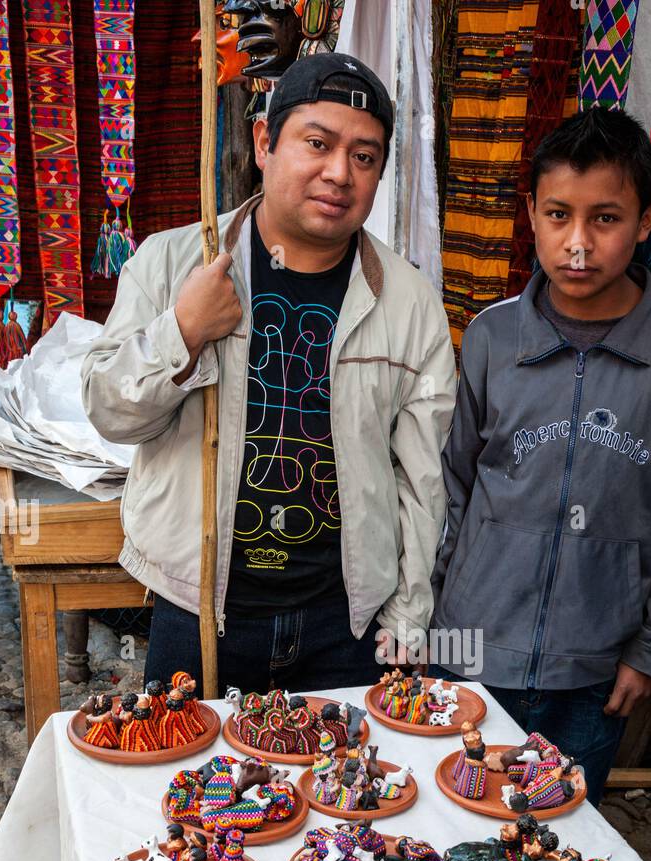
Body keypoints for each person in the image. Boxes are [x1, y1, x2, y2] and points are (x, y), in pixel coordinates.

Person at [81, 53, 455, 696]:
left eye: (364, 157)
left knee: (342, 792)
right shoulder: (174, 263)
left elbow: (420, 481)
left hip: (347, 624)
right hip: (201, 612)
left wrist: (407, 625)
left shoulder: (409, 300)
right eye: (317, 143)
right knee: (199, 790)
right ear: (264, 142)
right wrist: (185, 330)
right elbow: (111, 412)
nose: (339, 173)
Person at [431, 107, 651, 805]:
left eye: (606, 218)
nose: (578, 244)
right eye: (559, 215)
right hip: (472, 649)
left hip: (594, 669)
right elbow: (450, 487)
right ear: (531, 213)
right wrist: (429, 625)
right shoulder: (494, 336)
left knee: (556, 846)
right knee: (450, 830)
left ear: (647, 221)